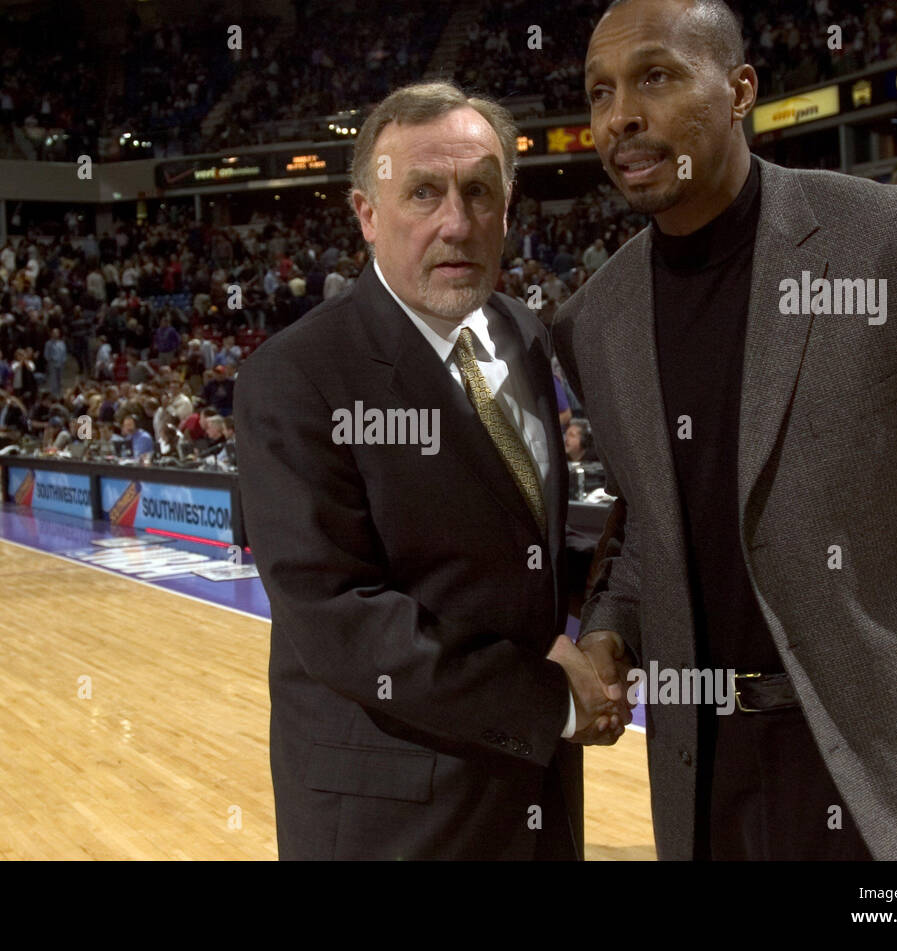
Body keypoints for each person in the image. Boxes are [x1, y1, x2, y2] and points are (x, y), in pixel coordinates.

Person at [553, 0, 897, 860]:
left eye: (654, 77)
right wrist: (607, 629)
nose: (619, 114)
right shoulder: (594, 319)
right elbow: (649, 527)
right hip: (708, 788)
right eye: (598, 92)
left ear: (739, 89)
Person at [236, 81, 626, 862]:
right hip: (396, 814)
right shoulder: (296, 375)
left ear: (508, 211)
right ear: (367, 214)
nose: (458, 222)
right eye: (424, 192)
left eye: (479, 191)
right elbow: (340, 616)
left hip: (537, 798)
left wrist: (614, 624)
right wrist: (548, 699)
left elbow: (519, 546)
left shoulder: (521, 331)